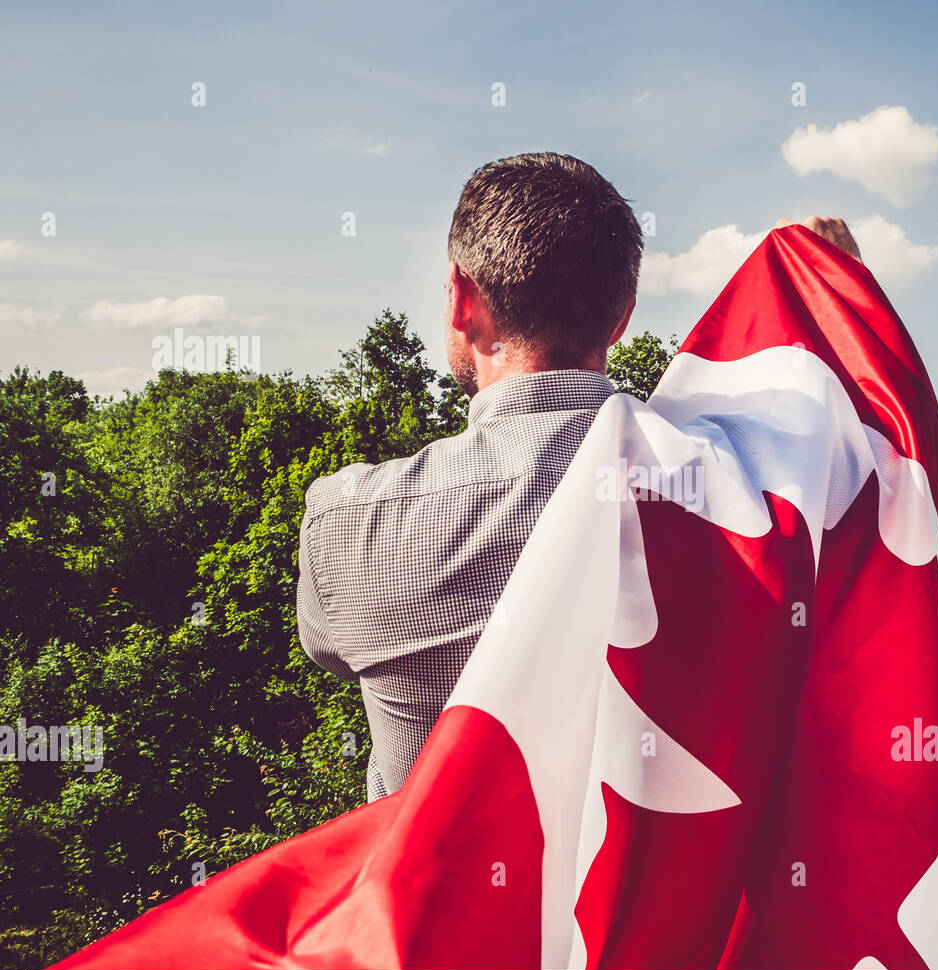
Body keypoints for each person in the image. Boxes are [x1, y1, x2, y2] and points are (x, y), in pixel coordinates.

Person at [297, 149, 861, 800]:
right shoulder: (742, 494)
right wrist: (833, 289)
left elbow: (326, 647)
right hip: (665, 901)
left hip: (435, 901)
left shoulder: (349, 523)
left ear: (462, 299)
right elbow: (839, 456)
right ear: (622, 318)